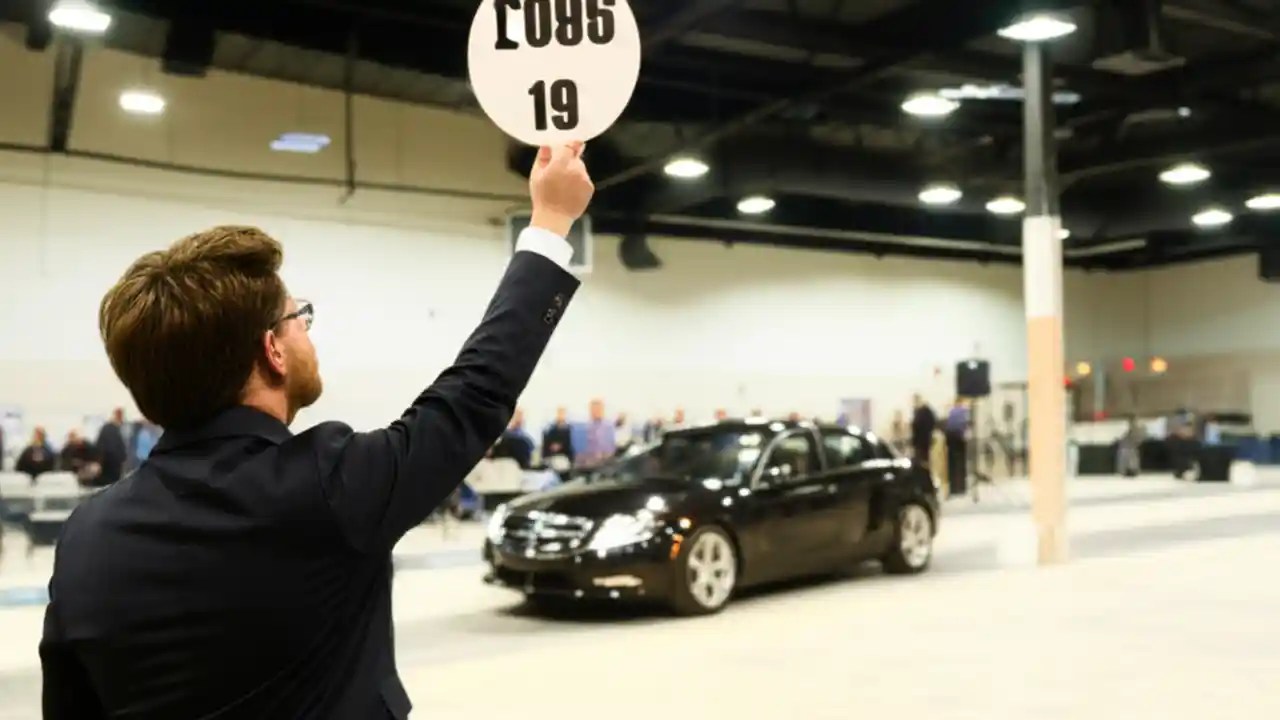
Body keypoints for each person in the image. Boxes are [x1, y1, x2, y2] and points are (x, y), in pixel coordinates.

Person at [39, 142, 593, 718]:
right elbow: (476, 392)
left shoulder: (86, 537)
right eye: (297, 316)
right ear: (272, 349)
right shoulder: (327, 485)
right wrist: (551, 222)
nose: (308, 330)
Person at [575, 398, 616, 468]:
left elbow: (611, 448)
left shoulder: (608, 426)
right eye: (593, 409)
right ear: (590, 410)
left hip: (605, 464)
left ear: (602, 410)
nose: (596, 411)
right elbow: (579, 450)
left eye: (598, 409)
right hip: (587, 464)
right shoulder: (584, 427)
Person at [94, 407, 128, 486]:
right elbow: (104, 447)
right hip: (109, 465)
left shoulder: (113, 429)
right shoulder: (110, 429)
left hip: (113, 465)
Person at [944, 398, 970, 495]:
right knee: (961, 464)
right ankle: (961, 487)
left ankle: (953, 488)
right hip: (959, 438)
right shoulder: (964, 411)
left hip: (950, 438)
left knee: (952, 464)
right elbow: (965, 425)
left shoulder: (951, 411)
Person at [541, 406, 575, 470]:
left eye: (562, 413)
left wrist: (560, 446)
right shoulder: (550, 430)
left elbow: (570, 446)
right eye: (559, 413)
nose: (561, 415)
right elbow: (546, 446)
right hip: (551, 458)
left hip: (565, 458)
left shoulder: (570, 430)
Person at [910, 394, 937, 466]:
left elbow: (916, 427)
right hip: (925, 441)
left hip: (922, 442)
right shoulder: (925, 412)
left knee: (922, 461)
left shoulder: (920, 413)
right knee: (925, 461)